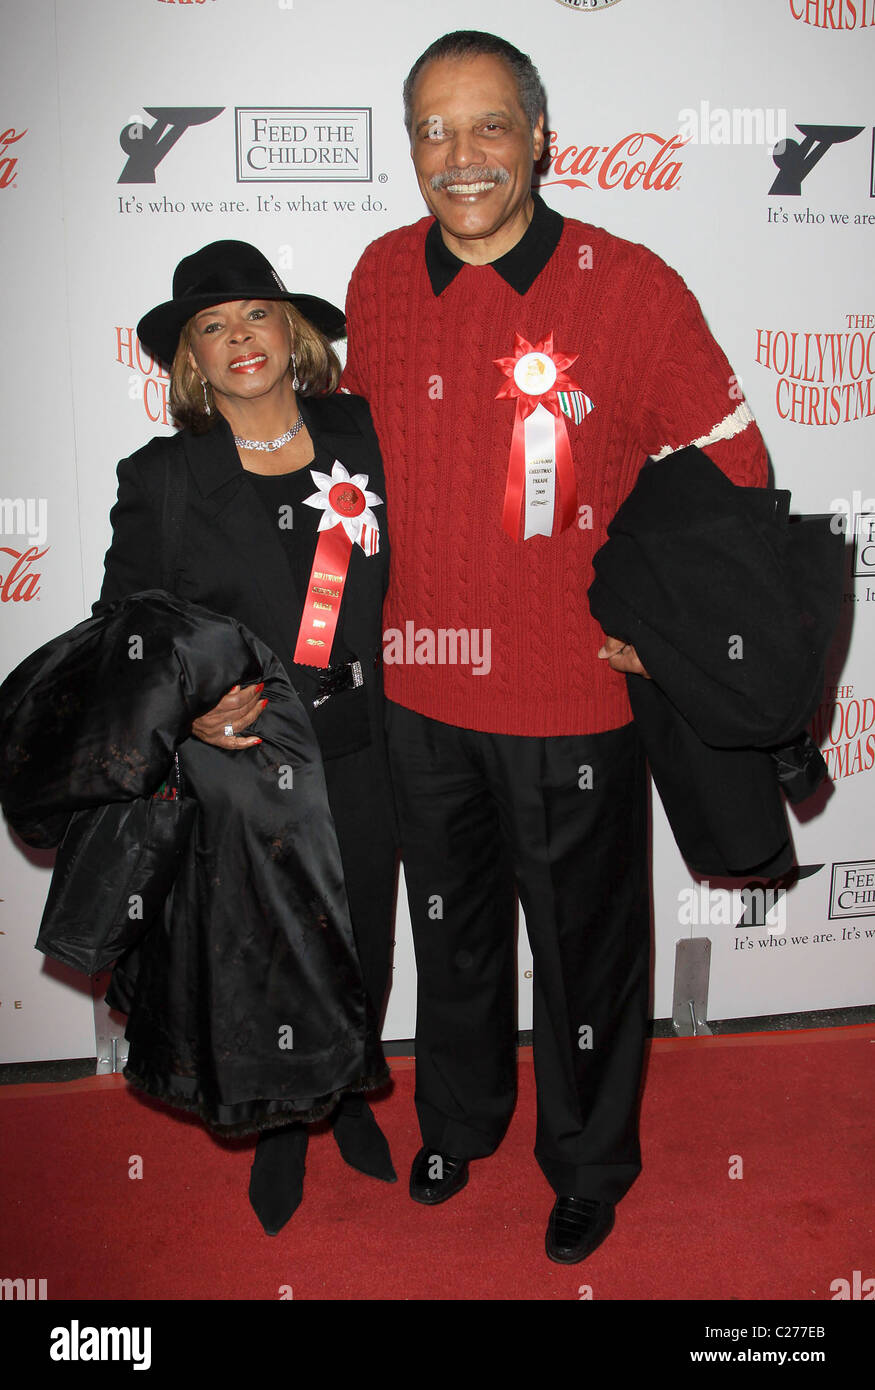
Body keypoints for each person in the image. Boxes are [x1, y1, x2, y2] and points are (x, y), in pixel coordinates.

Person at [341, 31, 770, 1263]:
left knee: (582, 961)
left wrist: (662, 626)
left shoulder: (628, 284)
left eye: (486, 126)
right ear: (410, 145)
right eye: (432, 128)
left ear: (539, 138)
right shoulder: (375, 277)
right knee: (451, 934)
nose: (459, 155)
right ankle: (458, 1118)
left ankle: (586, 1163)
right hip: (418, 691)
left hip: (568, 700)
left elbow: (732, 469)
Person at [98, 239, 398, 1234]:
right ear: (191, 360)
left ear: (290, 329)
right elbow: (125, 630)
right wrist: (185, 712)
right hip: (253, 760)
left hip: (364, 735)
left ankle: (350, 1092)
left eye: (254, 316)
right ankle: (280, 1127)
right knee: (274, 952)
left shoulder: (359, 431)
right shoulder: (165, 474)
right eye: (211, 328)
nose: (239, 340)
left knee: (364, 930)